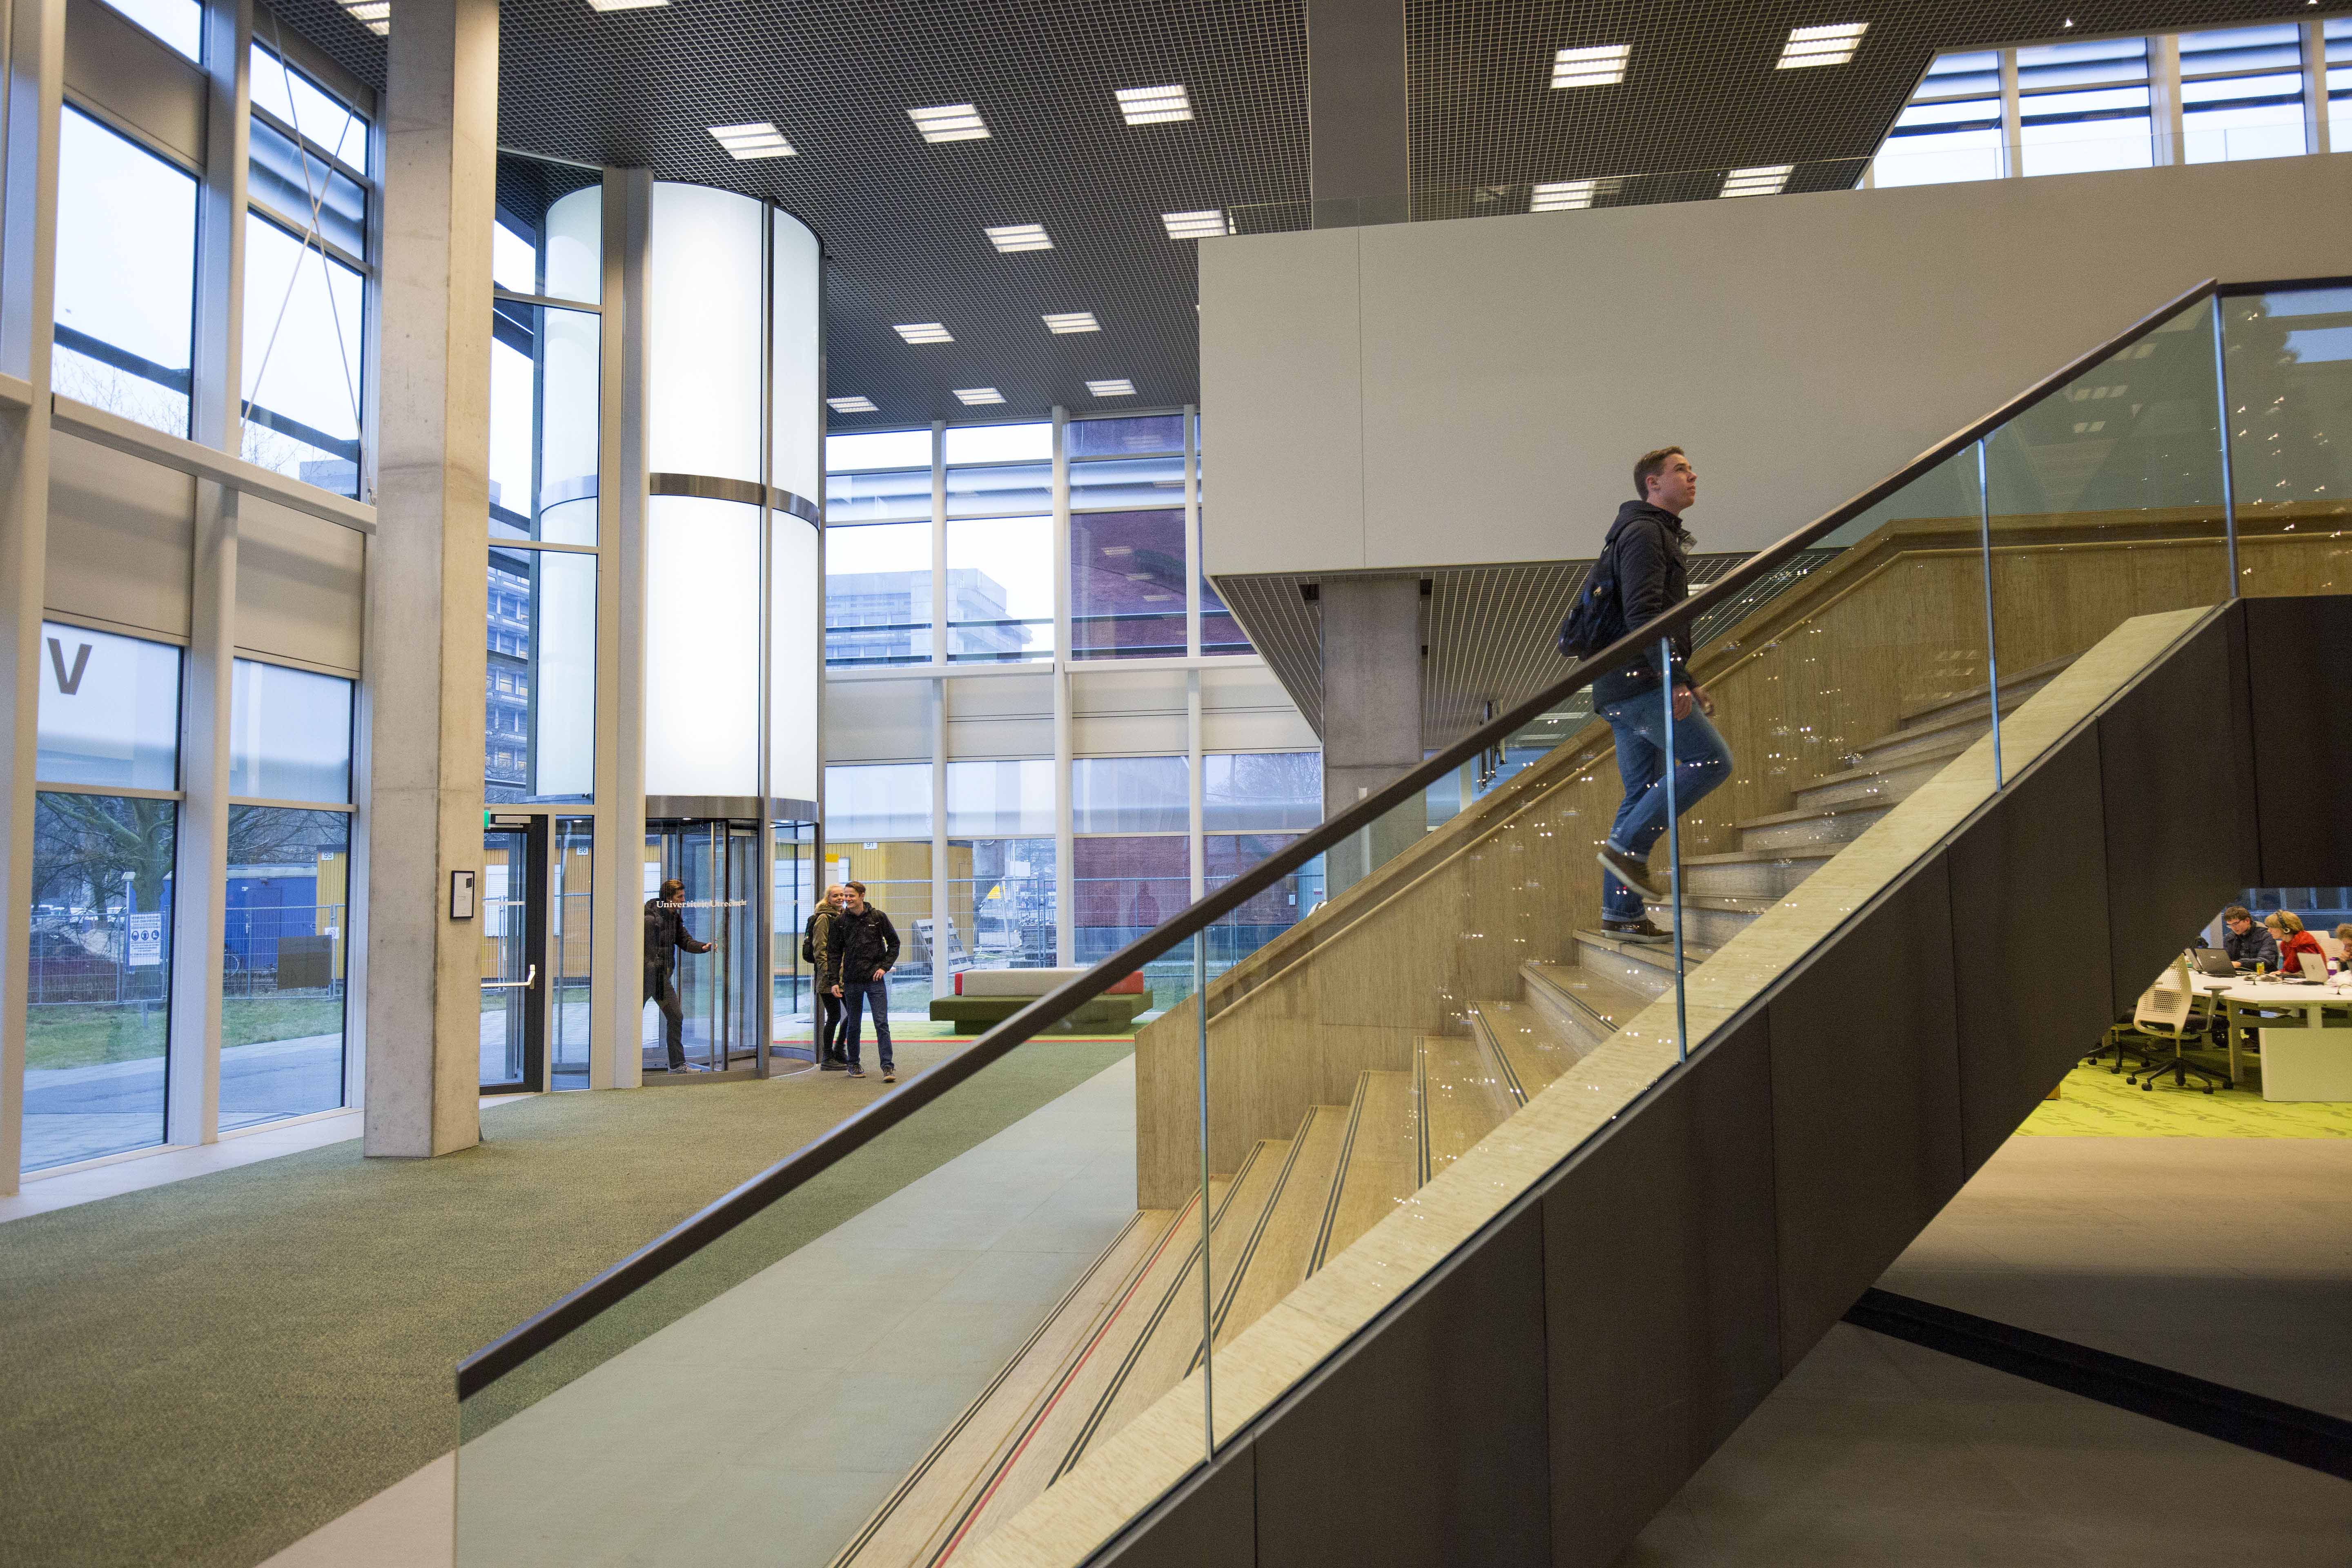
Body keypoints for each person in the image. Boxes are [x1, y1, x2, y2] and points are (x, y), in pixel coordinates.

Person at [1590, 446, 1734, 943]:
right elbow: (1644, 616)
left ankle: (1621, 914)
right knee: (1710, 761)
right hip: (1639, 682)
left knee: (1640, 793)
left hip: (1622, 684)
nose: (1693, 476)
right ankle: (1626, 850)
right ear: (1653, 483)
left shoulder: (1644, 531)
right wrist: (1671, 677)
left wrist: (1685, 677)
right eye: (1681, 470)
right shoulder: (1645, 532)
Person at [829, 880, 901, 1082]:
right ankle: (853, 1064)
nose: (847, 899)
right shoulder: (840, 922)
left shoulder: (878, 918)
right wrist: (834, 981)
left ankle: (888, 1067)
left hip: (875, 980)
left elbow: (894, 944)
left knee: (881, 1023)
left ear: (862, 896)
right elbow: (833, 953)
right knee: (853, 1024)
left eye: (851, 896)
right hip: (852, 980)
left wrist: (884, 967)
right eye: (845, 895)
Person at [644, 878, 713, 1072]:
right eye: (680, 897)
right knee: (630, 1019)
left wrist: (703, 947)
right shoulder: (649, 919)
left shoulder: (674, 917)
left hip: (660, 980)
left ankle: (677, 1065)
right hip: (645, 979)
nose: (684, 900)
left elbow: (685, 941)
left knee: (676, 1017)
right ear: (669, 898)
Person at [802, 884, 847, 1069]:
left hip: (843, 976)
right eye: (835, 896)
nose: (840, 898)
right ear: (828, 898)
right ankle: (828, 1057)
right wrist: (830, 973)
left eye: (842, 895)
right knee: (835, 1016)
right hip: (828, 977)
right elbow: (819, 949)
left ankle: (838, 1051)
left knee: (850, 1014)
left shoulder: (843, 916)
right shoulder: (824, 918)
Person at [2268, 909, 2324, 979]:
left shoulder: (2303, 941)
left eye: (2272, 927)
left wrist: (2285, 975)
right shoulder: (2285, 944)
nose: (2269, 930)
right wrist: (2281, 972)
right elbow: (2290, 969)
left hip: (2311, 982)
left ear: (2286, 929)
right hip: (2295, 981)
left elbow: (2314, 972)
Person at [2220, 905, 2277, 971]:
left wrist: (2240, 964)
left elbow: (2267, 961)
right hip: (2238, 974)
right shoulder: (2230, 938)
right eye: (2230, 925)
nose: (2233, 928)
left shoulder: (2266, 935)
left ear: (2247, 921)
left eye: (2235, 924)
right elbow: (2227, 961)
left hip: (2262, 974)